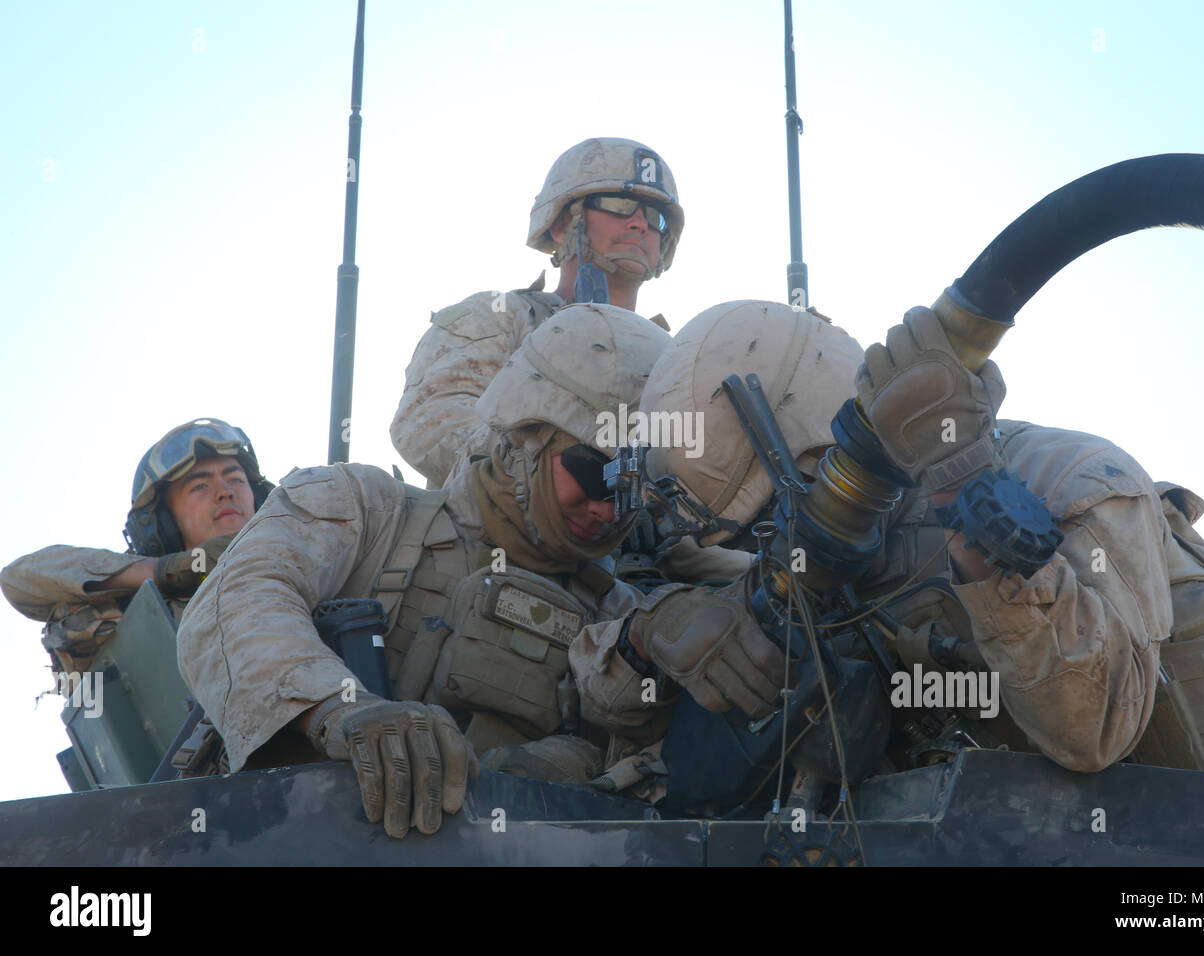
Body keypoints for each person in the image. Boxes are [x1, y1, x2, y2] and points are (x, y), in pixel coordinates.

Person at [573, 298, 1204, 787]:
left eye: (777, 512)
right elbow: (604, 708)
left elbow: (1096, 725)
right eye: (748, 533)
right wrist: (650, 635)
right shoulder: (809, 564)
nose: (772, 548)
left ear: (827, 455)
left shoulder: (1075, 479)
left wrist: (971, 508)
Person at [176, 304, 783, 839]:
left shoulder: (621, 619)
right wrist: (340, 710)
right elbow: (236, 601)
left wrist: (565, 765)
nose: (607, 509)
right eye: (597, 473)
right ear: (525, 435)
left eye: (632, 489)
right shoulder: (364, 508)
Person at [390, 137, 682, 488]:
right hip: (501, 535)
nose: (639, 224)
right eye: (619, 204)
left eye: (655, 217)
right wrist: (558, 479)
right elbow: (428, 424)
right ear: (562, 224)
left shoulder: (675, 362)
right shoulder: (499, 316)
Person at [1, 418, 273, 677]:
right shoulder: (154, 613)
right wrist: (172, 570)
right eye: (200, 485)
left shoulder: (308, 549)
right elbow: (19, 579)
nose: (225, 491)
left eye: (235, 479)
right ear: (166, 521)